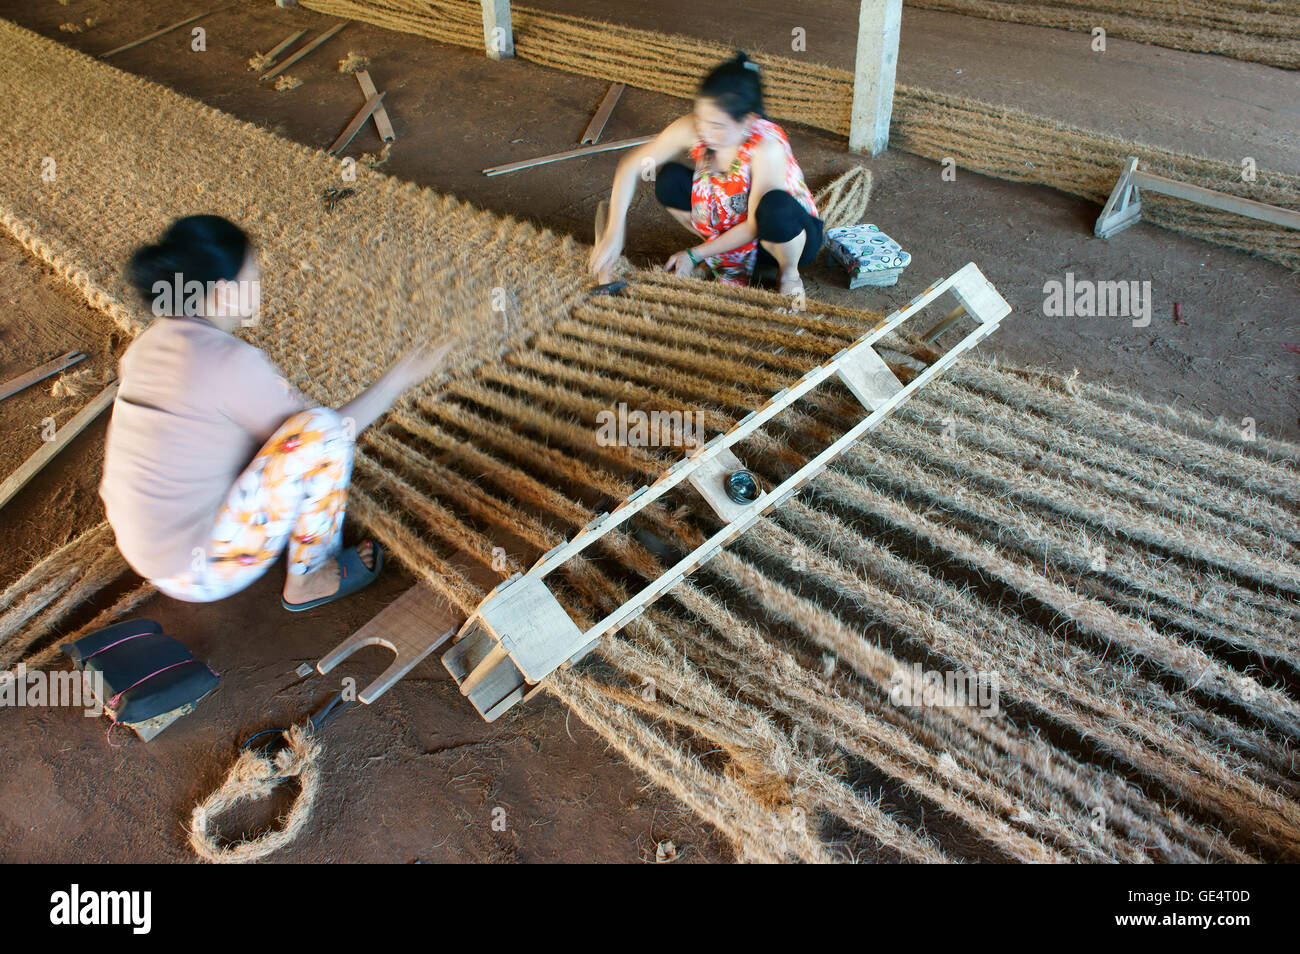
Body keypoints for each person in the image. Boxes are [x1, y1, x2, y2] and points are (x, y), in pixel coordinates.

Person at [100, 215, 451, 609]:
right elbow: (333, 434)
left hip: (142, 546)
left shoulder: (148, 345)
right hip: (200, 573)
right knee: (320, 431)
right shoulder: (230, 362)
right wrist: (399, 377)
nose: (260, 282)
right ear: (221, 291)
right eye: (253, 274)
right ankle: (310, 577)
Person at [589, 51, 822, 297]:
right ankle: (720, 252)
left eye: (717, 126)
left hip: (779, 238)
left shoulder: (766, 148)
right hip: (728, 221)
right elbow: (631, 166)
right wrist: (614, 233)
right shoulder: (697, 127)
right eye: (702, 120)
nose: (706, 132)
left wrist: (694, 253)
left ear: (747, 121)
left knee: (775, 207)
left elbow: (754, 225)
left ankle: (788, 274)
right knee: (669, 181)